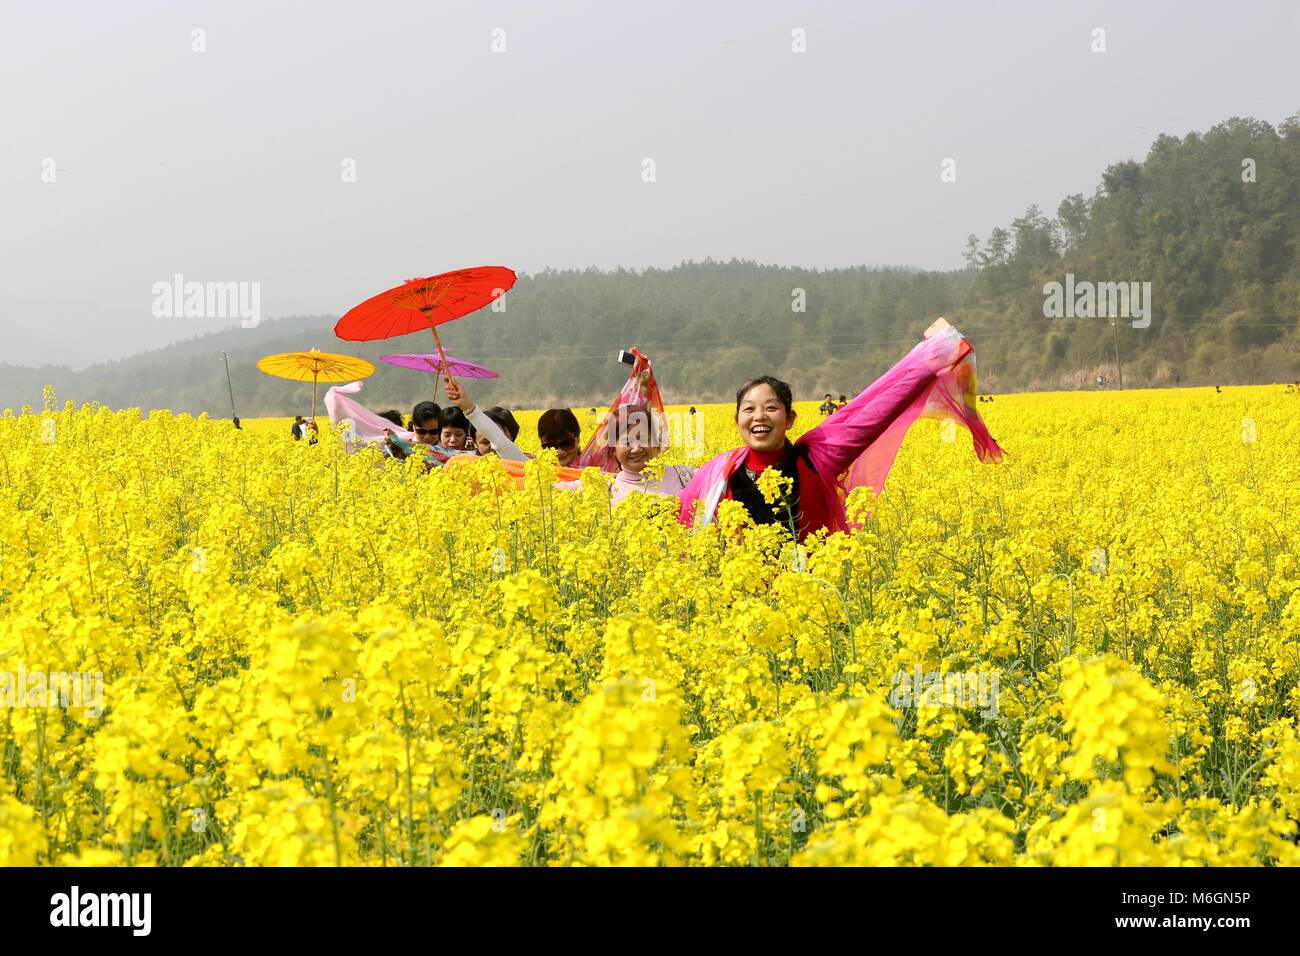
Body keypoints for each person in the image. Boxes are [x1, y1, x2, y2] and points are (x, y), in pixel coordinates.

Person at [676, 319, 1005, 543]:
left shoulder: (817, 457)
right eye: (748, 408)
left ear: (790, 419)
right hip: (741, 618)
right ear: (737, 420)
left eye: (770, 407)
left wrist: (937, 355)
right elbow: (673, 514)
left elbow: (874, 411)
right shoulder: (720, 473)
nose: (759, 416)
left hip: (812, 610)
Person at [555, 403, 694, 503]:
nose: (637, 448)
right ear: (613, 450)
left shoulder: (687, 477)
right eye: (627, 442)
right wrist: (535, 466)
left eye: (644, 438)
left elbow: (716, 472)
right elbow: (544, 493)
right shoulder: (601, 489)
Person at [442, 376, 528, 460]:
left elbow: (499, 442)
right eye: (485, 442)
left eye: (496, 439)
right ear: (475, 444)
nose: (493, 447)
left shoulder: (526, 465)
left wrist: (468, 407)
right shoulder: (465, 466)